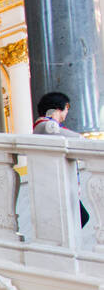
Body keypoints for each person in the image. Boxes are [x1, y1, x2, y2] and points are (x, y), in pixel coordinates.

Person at [34, 92, 90, 226]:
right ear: (58, 109)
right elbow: (75, 138)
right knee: (77, 219)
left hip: (55, 181)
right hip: (54, 181)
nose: (66, 113)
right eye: (66, 108)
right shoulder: (46, 125)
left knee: (77, 219)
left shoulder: (44, 125)